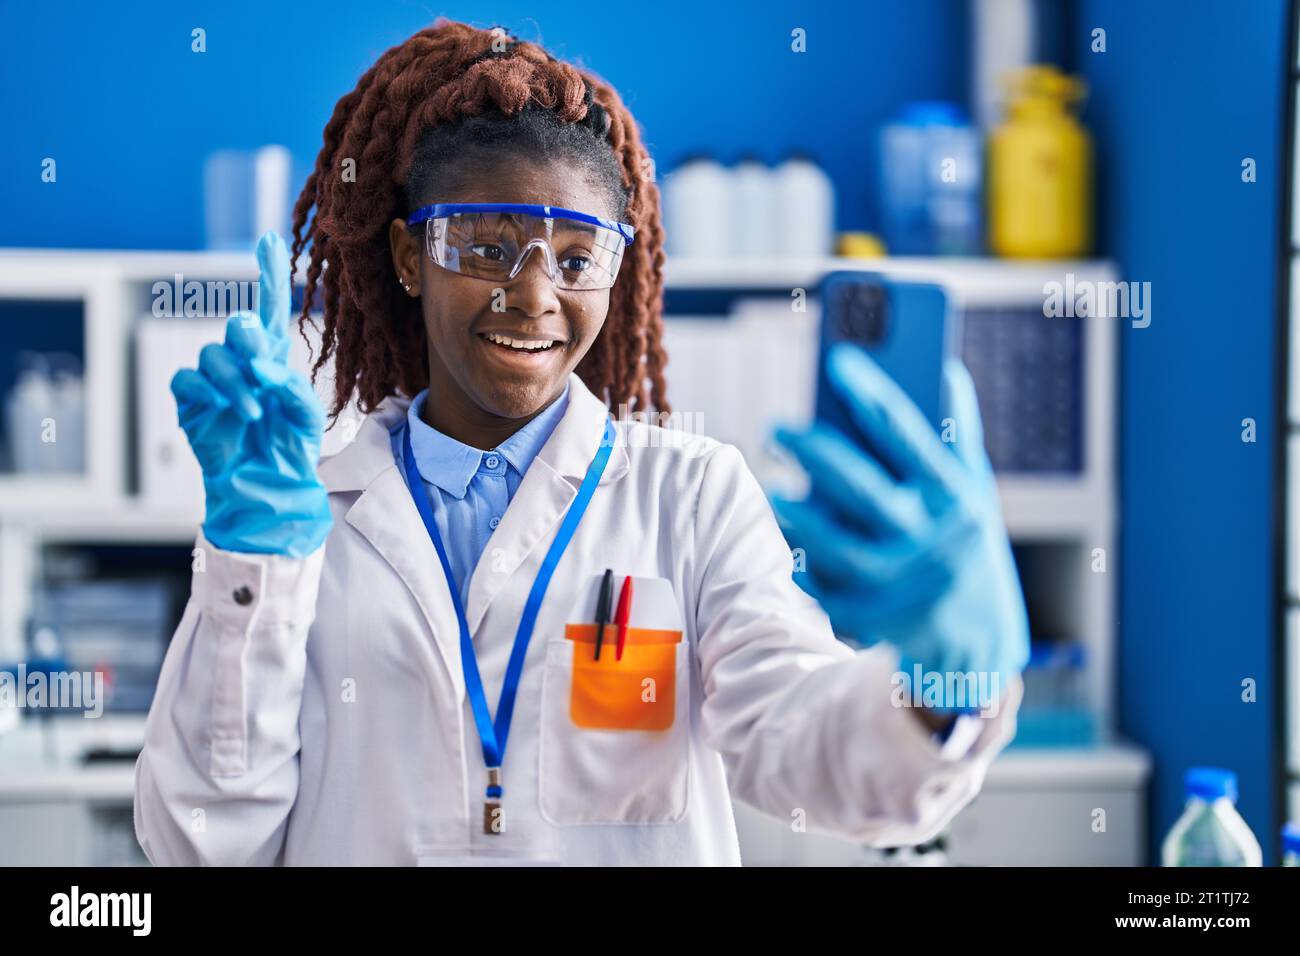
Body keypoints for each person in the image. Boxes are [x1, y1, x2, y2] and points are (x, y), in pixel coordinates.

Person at [134, 19, 1029, 866]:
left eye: (575, 258)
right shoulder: (303, 524)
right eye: (486, 247)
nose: (533, 297)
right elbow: (199, 843)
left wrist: (947, 681)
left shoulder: (692, 498)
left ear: (617, 270)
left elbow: (809, 748)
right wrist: (252, 566)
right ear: (410, 259)